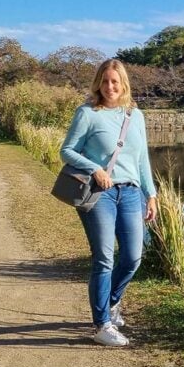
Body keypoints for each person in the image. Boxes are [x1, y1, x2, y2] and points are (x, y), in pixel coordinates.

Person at [60, 58, 157, 346]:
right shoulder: (88, 113)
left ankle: (111, 303)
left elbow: (142, 160)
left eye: (115, 81)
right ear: (98, 83)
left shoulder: (135, 115)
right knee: (104, 259)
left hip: (130, 193)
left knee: (133, 257)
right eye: (105, 81)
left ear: (124, 83)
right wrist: (95, 169)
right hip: (99, 193)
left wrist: (151, 194)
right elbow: (67, 151)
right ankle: (102, 325)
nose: (110, 86)